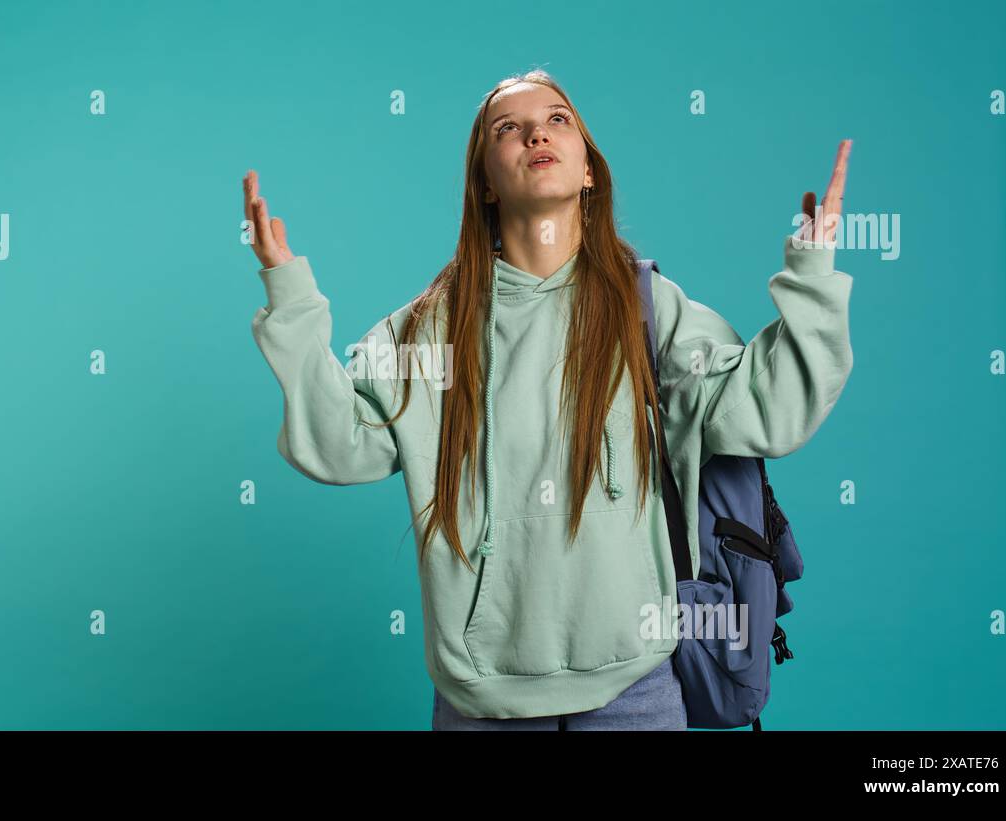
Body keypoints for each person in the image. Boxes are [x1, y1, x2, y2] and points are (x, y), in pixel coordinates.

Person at [244, 69, 853, 730]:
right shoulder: (431, 332)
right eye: (508, 128)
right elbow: (340, 446)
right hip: (483, 700)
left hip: (637, 690)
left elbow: (769, 410)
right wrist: (293, 302)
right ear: (484, 182)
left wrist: (813, 273)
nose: (536, 131)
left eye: (557, 119)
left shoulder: (649, 312)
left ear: (588, 169)